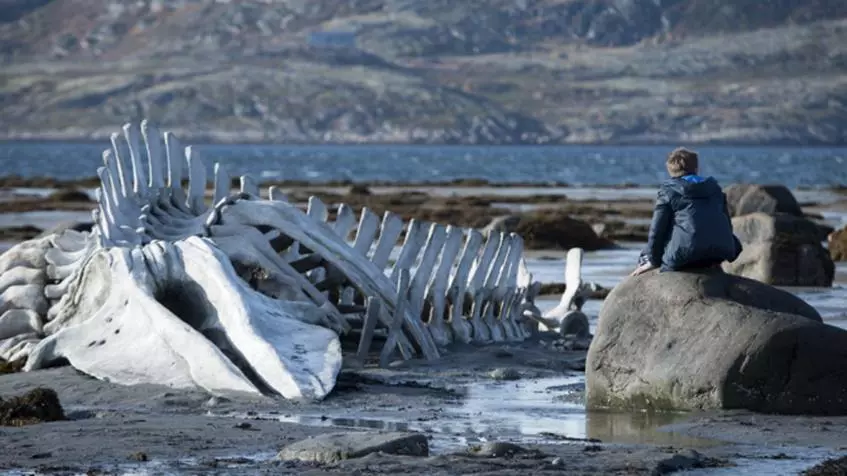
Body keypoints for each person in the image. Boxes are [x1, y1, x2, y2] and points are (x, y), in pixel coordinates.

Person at [631, 147, 742, 276]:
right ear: (696, 168)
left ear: (670, 170)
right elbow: (727, 225)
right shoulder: (715, 189)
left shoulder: (669, 191)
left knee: (648, 252)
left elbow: (657, 230)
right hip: (721, 251)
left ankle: (646, 262)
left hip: (686, 254)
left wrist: (653, 260)